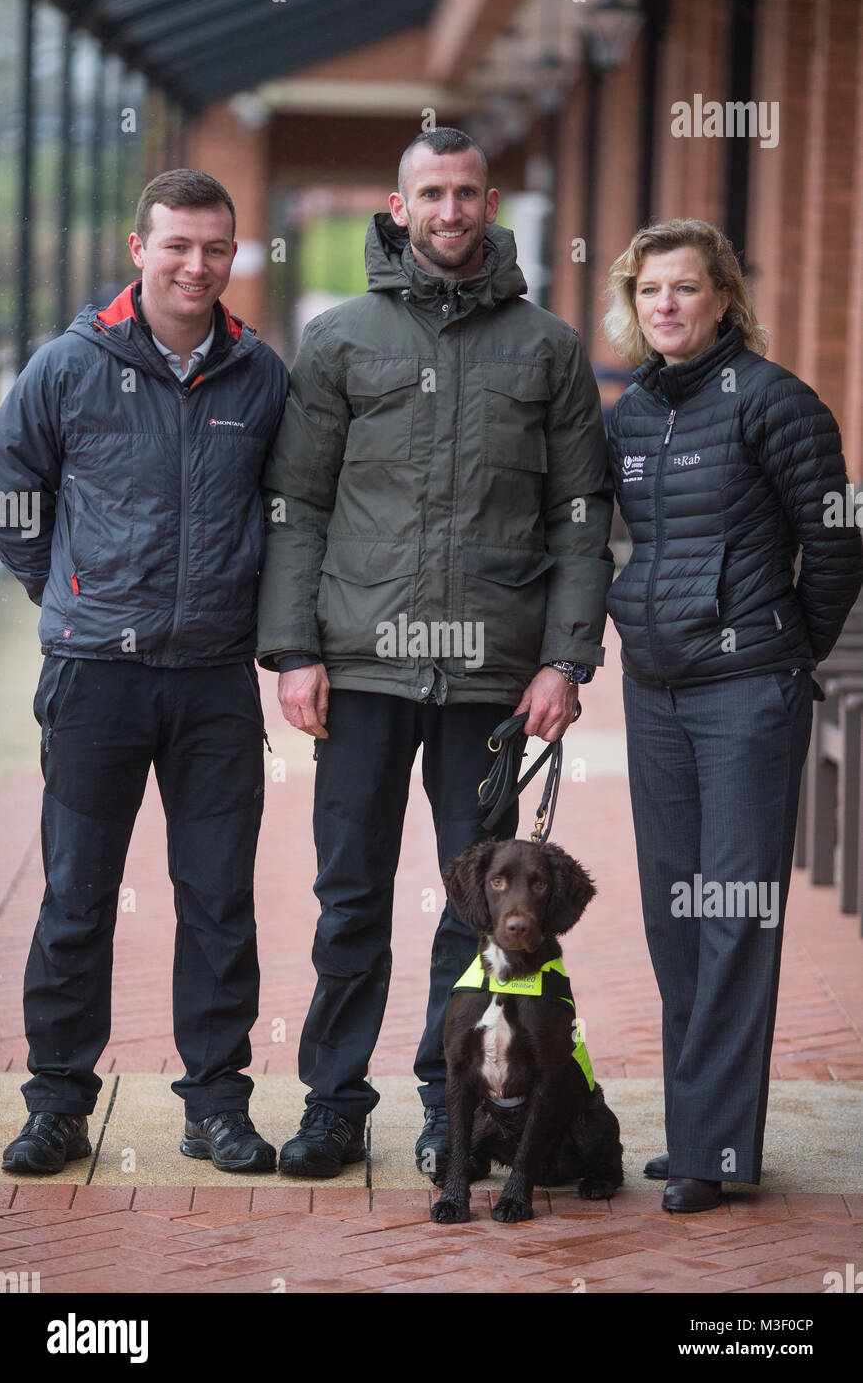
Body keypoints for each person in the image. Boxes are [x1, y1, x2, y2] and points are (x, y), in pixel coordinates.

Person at [257, 127, 613, 1178]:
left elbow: (580, 517)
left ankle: (442, 1098)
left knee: (482, 910)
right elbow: (298, 506)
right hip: (360, 669)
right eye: (431, 194)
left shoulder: (545, 346)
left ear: (487, 201)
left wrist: (564, 659)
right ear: (398, 204)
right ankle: (332, 1102)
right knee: (351, 894)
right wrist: (290, 650)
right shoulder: (338, 339)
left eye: (465, 193)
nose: (449, 211)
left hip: (492, 680)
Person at [0, 169, 288, 1175]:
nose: (196, 265)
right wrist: (63, 590)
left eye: (216, 248)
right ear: (138, 249)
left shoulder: (259, 375)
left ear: (233, 254)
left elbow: (289, 511)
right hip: (94, 678)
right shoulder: (69, 365)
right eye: (177, 245)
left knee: (217, 898)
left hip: (212, 679)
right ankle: (58, 1104)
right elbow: (13, 485)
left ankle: (216, 1105)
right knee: (77, 894)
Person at [603, 219, 863, 1212]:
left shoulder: (774, 401)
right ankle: (693, 1131)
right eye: (648, 291)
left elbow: (835, 537)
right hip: (654, 691)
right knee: (674, 909)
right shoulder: (627, 417)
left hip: (746, 693)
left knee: (731, 912)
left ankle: (714, 1147)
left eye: (683, 288)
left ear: (720, 300)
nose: (664, 305)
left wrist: (786, 644)